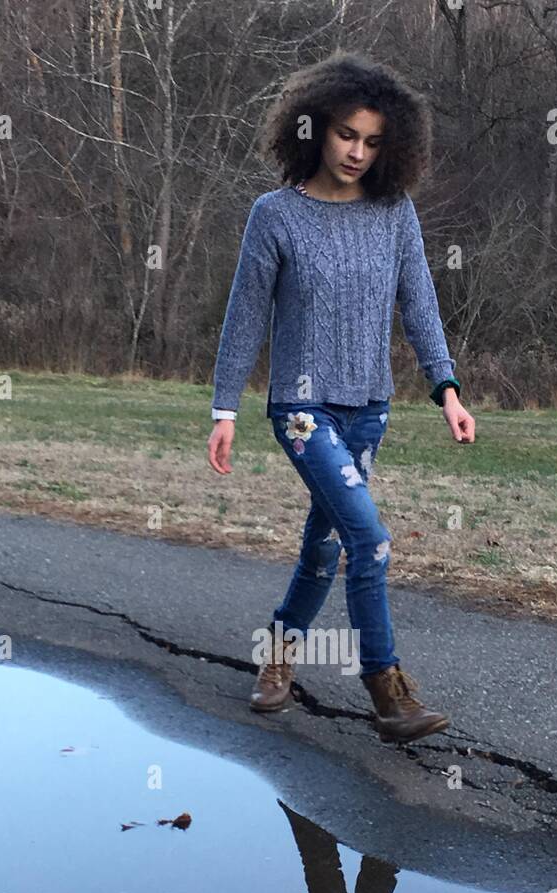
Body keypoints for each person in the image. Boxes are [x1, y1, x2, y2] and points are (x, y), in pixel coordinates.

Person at [207, 52, 475, 745]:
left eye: (373, 141)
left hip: (370, 405)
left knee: (325, 546)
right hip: (300, 410)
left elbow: (419, 301)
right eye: (345, 134)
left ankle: (275, 655)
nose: (356, 152)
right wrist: (225, 408)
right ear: (314, 129)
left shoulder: (393, 214)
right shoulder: (276, 215)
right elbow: (245, 316)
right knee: (370, 540)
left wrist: (445, 387)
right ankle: (388, 693)